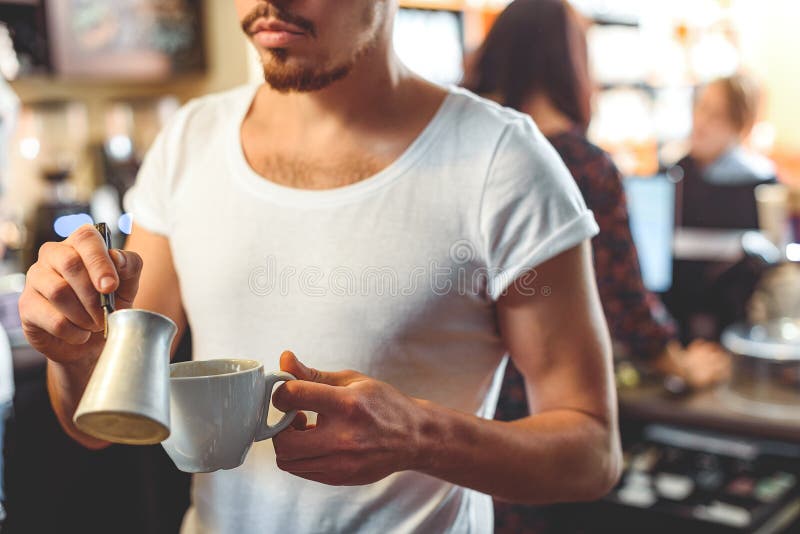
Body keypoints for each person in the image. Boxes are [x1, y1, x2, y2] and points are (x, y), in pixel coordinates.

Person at [18, 1, 621, 533]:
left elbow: (592, 453)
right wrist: (73, 352)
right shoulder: (190, 143)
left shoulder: (502, 162)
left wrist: (420, 436)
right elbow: (98, 422)